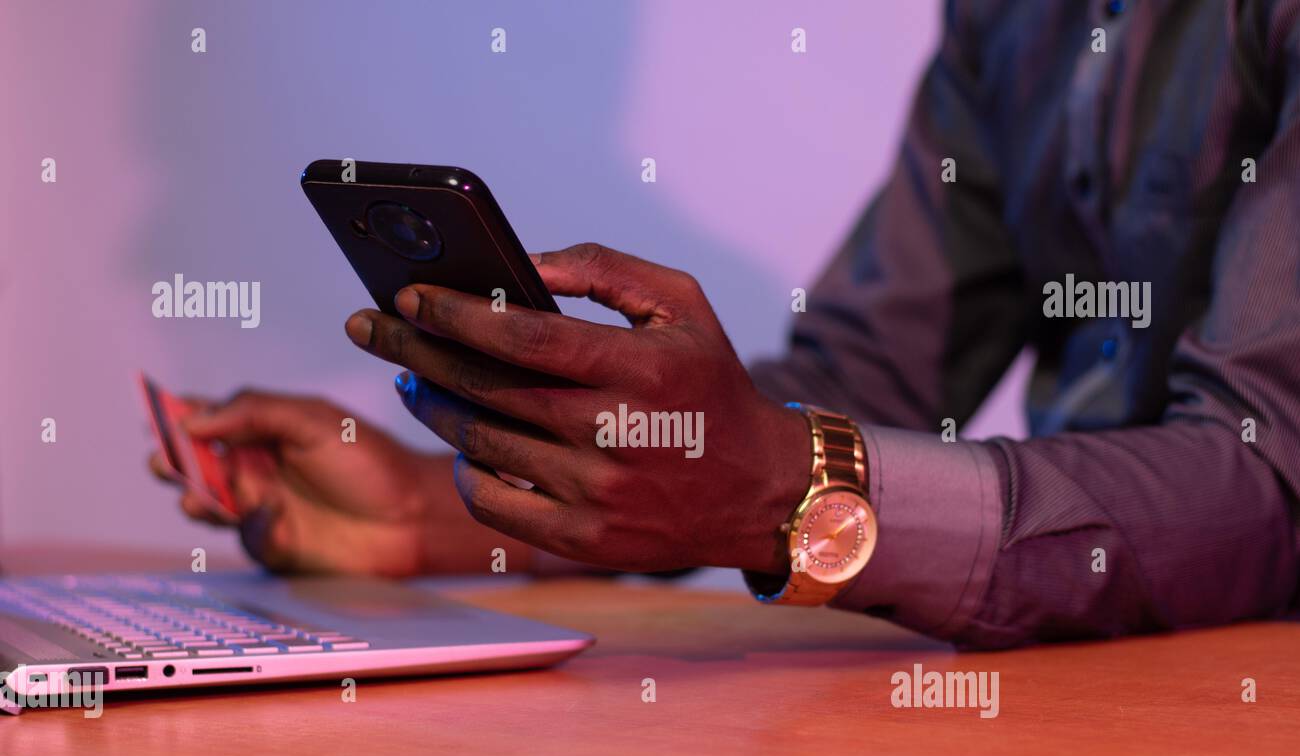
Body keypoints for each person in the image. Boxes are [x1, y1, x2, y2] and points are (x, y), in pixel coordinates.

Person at [152, 0, 1300, 648]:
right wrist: (449, 514)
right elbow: (855, 380)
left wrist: (780, 489)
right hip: (1090, 690)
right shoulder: (1006, 25)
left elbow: (1272, 476)